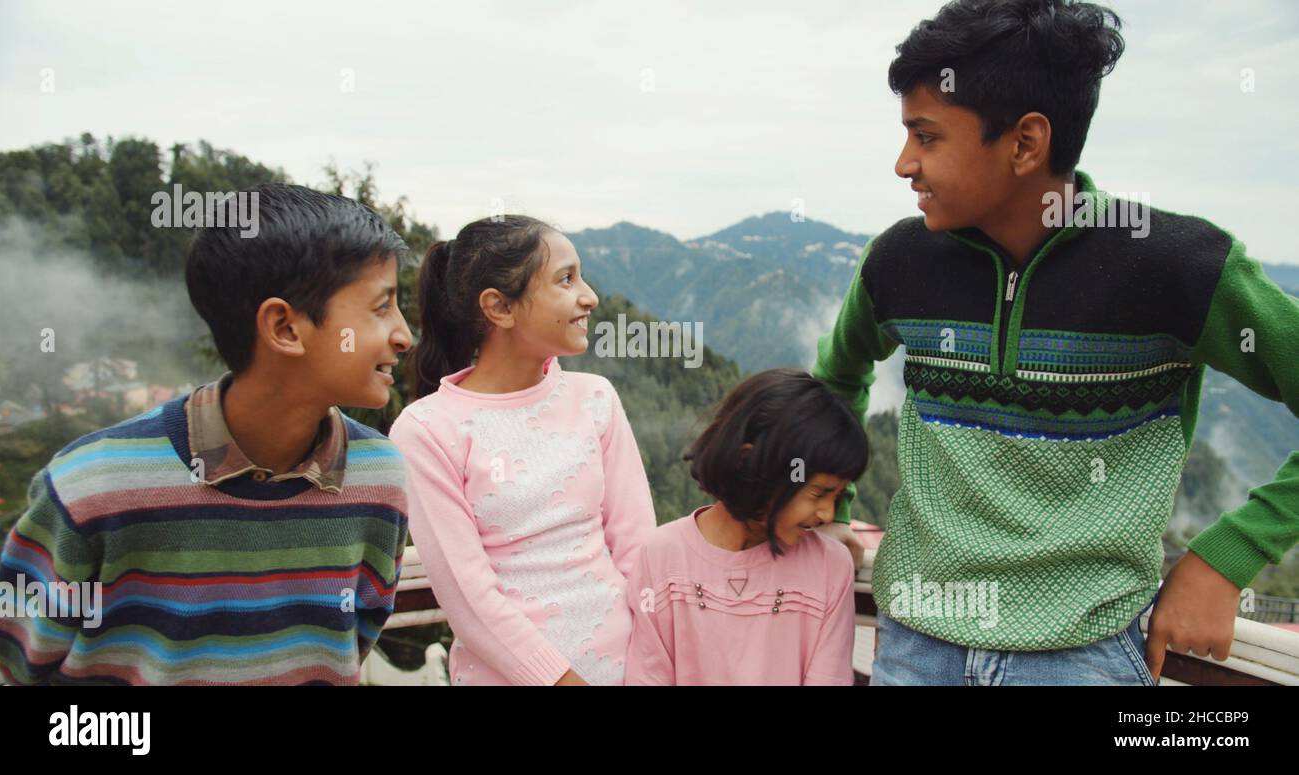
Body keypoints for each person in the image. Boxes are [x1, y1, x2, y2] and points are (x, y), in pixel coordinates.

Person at [814, 0, 1299, 684]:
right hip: (914, 648)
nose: (903, 164)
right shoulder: (899, 262)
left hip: (1084, 657)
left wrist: (1224, 559)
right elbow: (834, 381)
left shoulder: (1177, 269)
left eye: (926, 137)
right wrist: (825, 505)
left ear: (1025, 142)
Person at [0, 183, 412, 685]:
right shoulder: (93, 488)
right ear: (284, 327)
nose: (404, 334)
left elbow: (355, 635)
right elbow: (18, 663)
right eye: (382, 306)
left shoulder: (378, 475)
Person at [389, 215, 657, 685]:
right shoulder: (426, 430)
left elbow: (637, 549)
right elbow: (470, 599)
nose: (590, 296)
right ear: (499, 307)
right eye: (566, 279)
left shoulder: (596, 399)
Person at [625, 369, 866, 685]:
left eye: (837, 496)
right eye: (819, 493)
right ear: (751, 463)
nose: (827, 513)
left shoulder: (830, 569)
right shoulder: (660, 558)